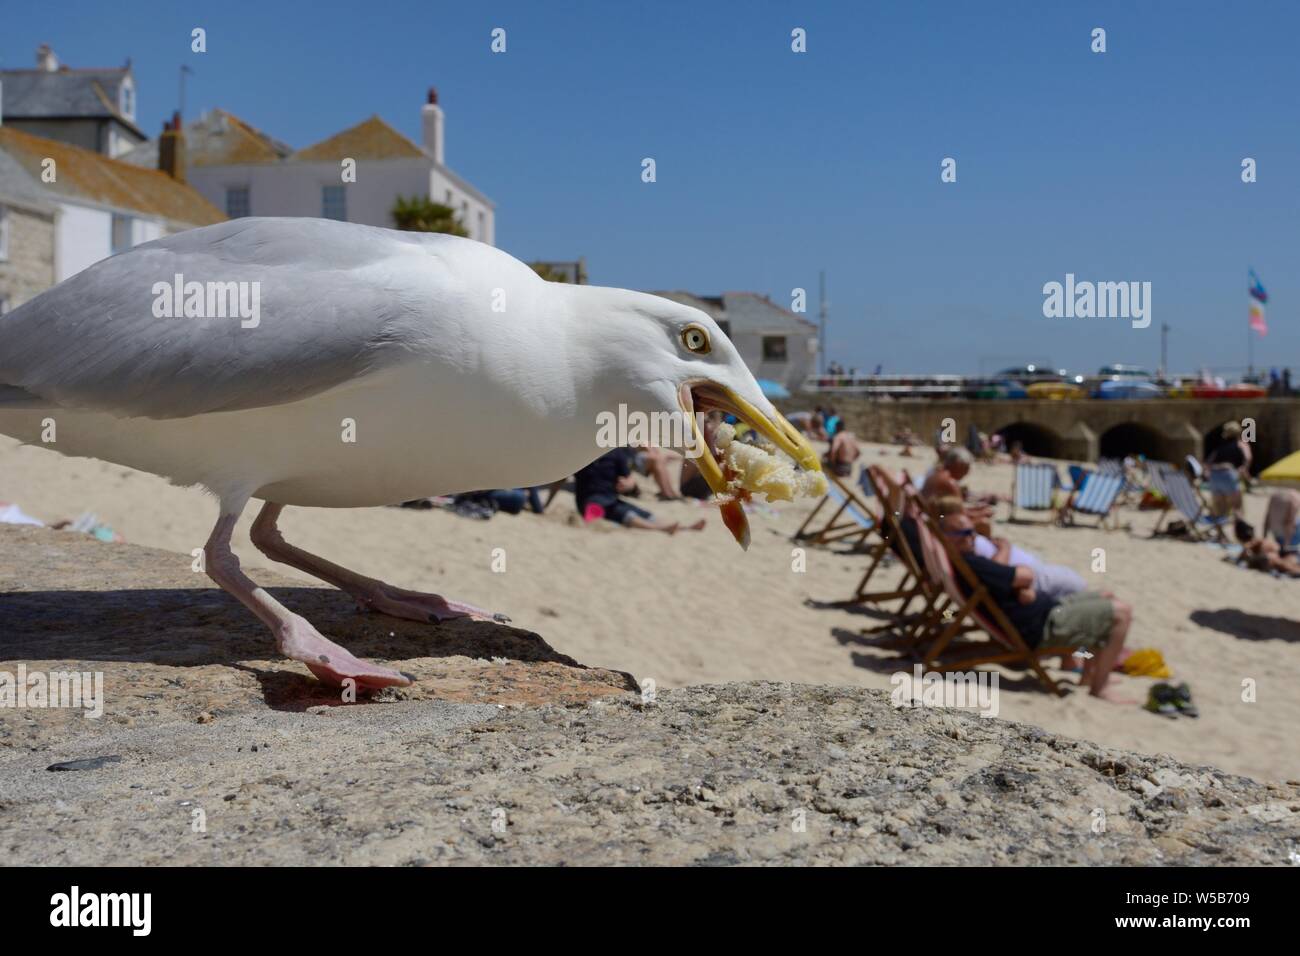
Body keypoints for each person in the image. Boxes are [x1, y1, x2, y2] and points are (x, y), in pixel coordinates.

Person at [940, 510, 1133, 702]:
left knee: (1105, 596)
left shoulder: (966, 563)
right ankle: (1100, 688)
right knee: (1121, 613)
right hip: (1043, 626)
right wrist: (1008, 557)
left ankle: (1089, 677)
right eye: (965, 534)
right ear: (947, 538)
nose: (973, 538)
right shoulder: (972, 564)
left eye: (973, 532)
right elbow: (1026, 575)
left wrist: (1018, 588)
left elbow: (1003, 584)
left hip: (1045, 612)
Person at [934, 496, 1083, 599]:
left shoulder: (952, 546)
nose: (971, 535)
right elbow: (994, 573)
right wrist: (1004, 548)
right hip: (1027, 578)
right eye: (967, 532)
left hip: (1025, 570)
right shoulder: (966, 557)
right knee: (1077, 585)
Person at [574, 448, 705, 534]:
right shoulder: (580, 454)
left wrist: (628, 485)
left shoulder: (615, 453)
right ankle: (659, 529)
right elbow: (560, 477)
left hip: (612, 500)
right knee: (626, 514)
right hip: (589, 502)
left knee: (645, 514)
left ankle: (684, 528)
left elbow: (629, 479)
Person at [921, 446, 997, 534]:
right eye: (966, 468)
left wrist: (976, 510)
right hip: (937, 527)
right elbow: (962, 514)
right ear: (958, 464)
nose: (967, 473)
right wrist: (982, 513)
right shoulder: (949, 483)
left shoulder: (935, 474)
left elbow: (954, 510)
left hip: (931, 519)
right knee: (984, 524)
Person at [1204, 421, 1251, 518]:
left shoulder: (1219, 447)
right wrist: (1243, 472)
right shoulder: (1241, 444)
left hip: (1214, 476)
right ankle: (1240, 529)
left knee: (1220, 509)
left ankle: (1220, 532)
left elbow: (1208, 463)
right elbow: (1248, 458)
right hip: (1228, 474)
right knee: (1237, 507)